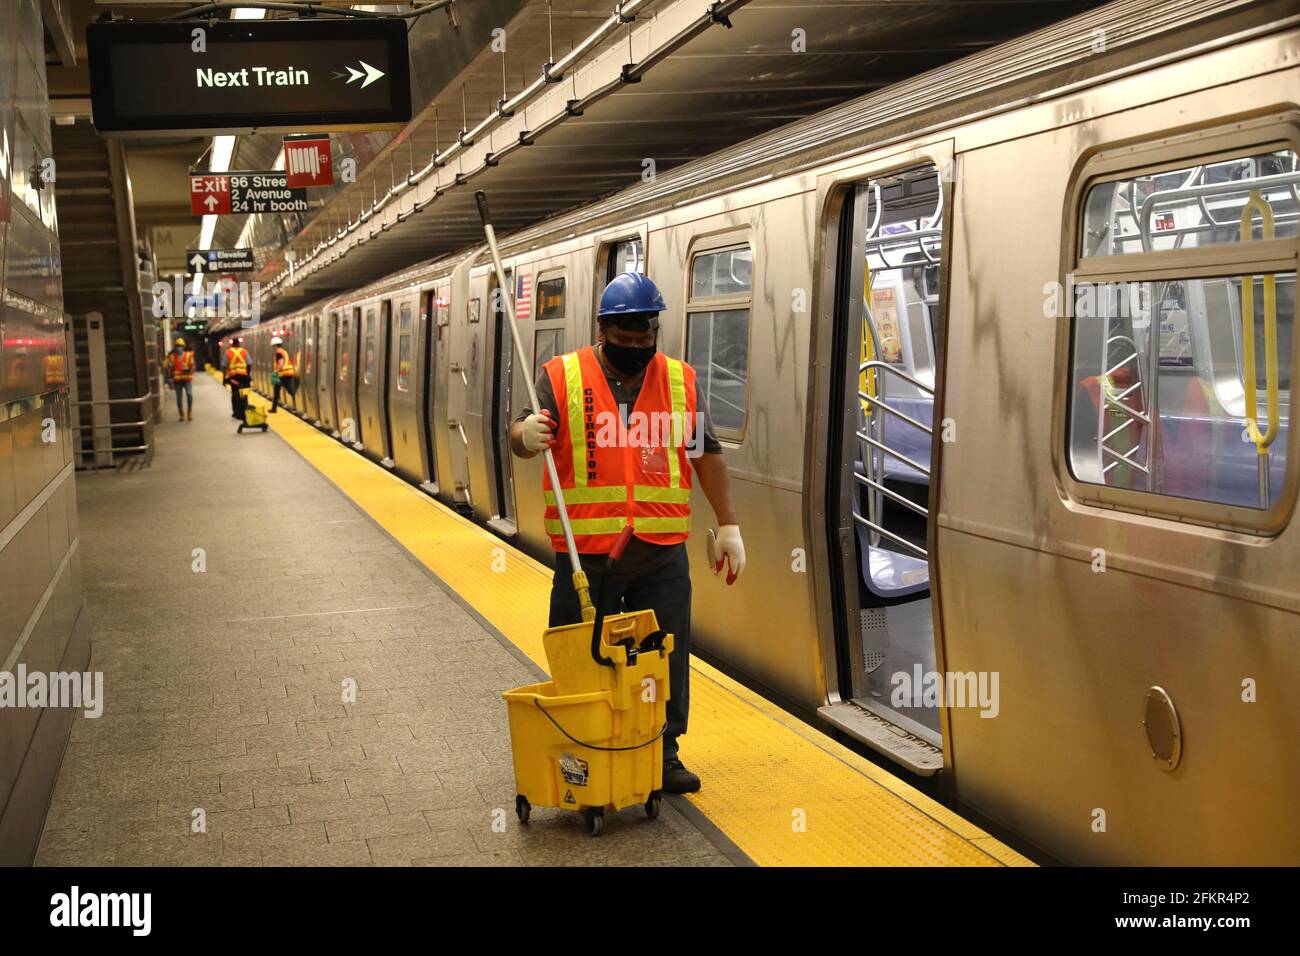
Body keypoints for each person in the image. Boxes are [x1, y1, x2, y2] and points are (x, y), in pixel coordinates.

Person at [510, 272, 746, 795]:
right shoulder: (563, 375)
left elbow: (704, 452)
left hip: (659, 552)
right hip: (585, 557)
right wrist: (525, 435)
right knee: (579, 655)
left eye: (646, 339)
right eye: (626, 340)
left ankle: (663, 753)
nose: (637, 349)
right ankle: (579, 749)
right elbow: (522, 435)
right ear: (604, 330)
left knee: (664, 655)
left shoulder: (680, 381)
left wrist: (727, 523)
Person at [165, 337, 195, 421]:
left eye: (180, 346)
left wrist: (190, 370)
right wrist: (169, 379)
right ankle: (181, 414)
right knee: (179, 397)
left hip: (187, 379)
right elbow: (168, 367)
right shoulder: (172, 357)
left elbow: (193, 366)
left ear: (183, 347)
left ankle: (189, 412)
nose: (179, 347)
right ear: (175, 347)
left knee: (189, 395)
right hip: (177, 380)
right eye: (177, 346)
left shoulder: (189, 355)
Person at [222, 336, 251, 421]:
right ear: (239, 343)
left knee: (235, 394)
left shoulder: (228, 352)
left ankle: (236, 413)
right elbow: (249, 364)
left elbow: (224, 366)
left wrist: (224, 379)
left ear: (232, 344)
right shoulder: (244, 351)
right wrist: (248, 374)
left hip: (233, 377)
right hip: (244, 377)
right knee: (244, 394)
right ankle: (245, 411)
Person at [270, 335, 299, 414]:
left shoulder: (278, 352)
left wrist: (276, 371)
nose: (273, 347)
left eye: (273, 346)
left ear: (275, 345)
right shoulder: (283, 351)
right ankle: (274, 408)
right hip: (286, 374)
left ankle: (296, 406)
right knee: (276, 391)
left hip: (284, 374)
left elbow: (281, 363)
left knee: (290, 391)